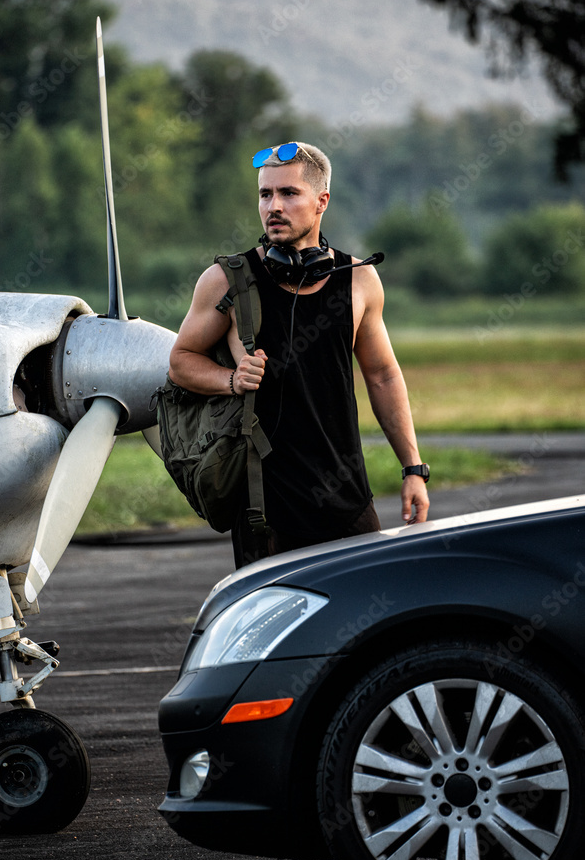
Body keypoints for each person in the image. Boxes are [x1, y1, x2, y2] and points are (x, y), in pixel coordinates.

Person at [169, 141, 429, 567]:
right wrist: (230, 380)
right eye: (265, 194)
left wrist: (413, 468)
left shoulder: (359, 280)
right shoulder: (226, 280)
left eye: (289, 193)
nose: (273, 206)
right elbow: (180, 361)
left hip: (348, 500)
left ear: (321, 201)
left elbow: (382, 375)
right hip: (263, 510)